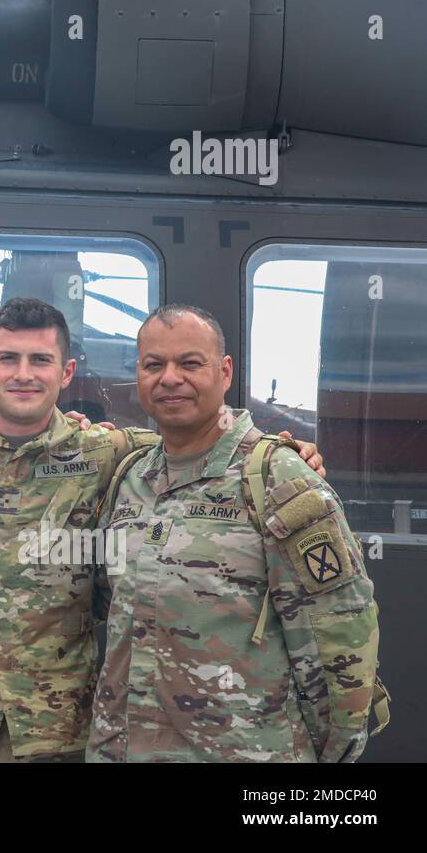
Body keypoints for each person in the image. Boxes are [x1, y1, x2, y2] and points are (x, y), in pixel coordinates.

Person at [0, 298, 323, 763]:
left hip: (61, 733)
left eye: (41, 360)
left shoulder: (109, 452)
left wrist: (283, 454)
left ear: (66, 373)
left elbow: (203, 440)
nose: (24, 374)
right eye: (9, 358)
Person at [89, 304, 384, 762]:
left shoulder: (278, 478)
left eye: (190, 363)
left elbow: (339, 634)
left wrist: (333, 752)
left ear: (224, 372)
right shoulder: (130, 478)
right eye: (154, 365)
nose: (170, 378)